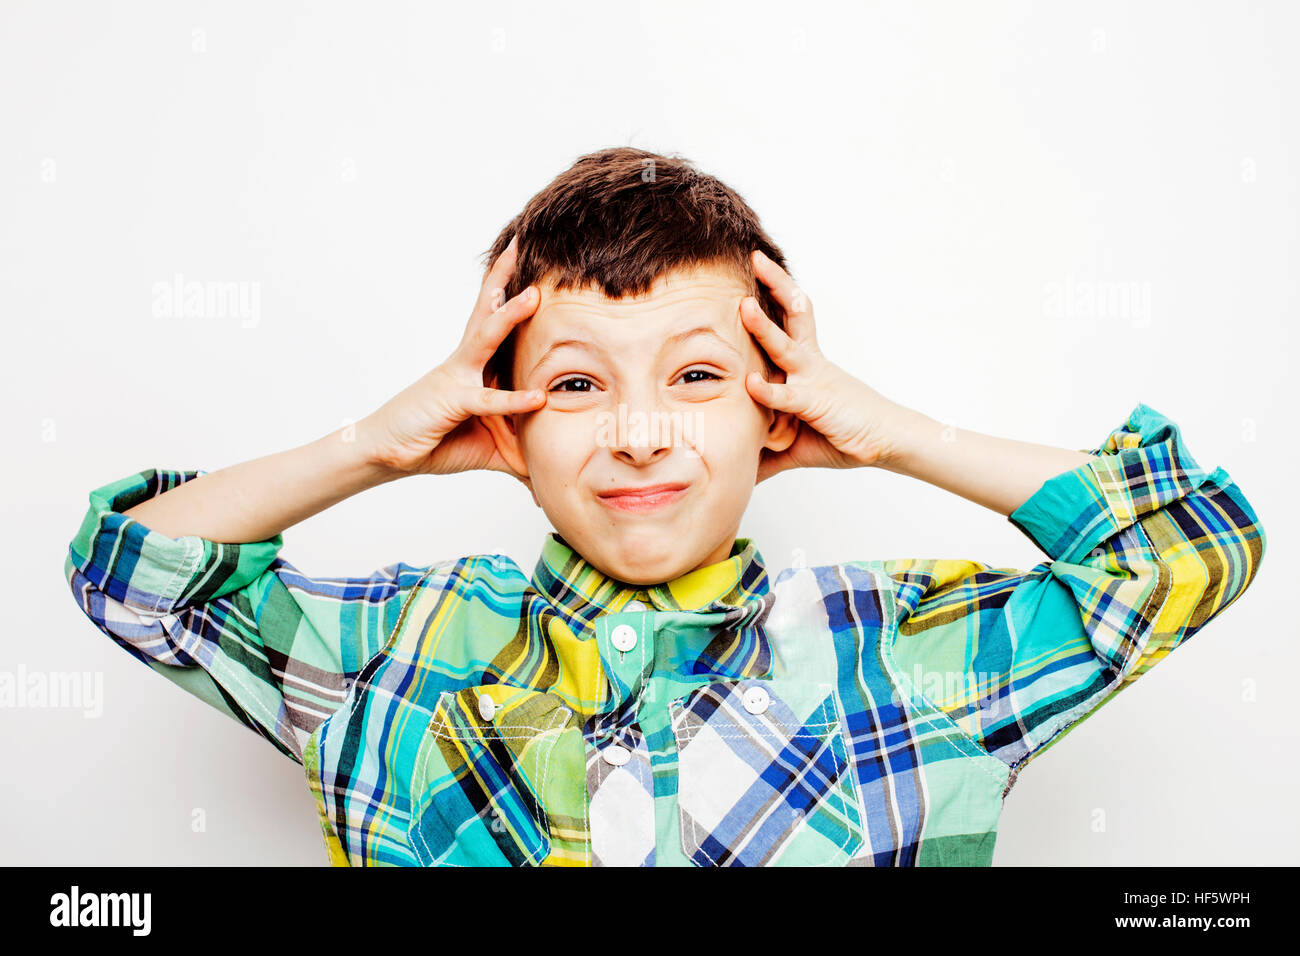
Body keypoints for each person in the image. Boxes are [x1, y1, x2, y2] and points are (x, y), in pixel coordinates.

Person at [63, 147, 1267, 866]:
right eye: (577, 383)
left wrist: (899, 434)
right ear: (502, 415)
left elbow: (1185, 546)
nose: (640, 431)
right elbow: (132, 571)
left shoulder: (906, 658)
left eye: (695, 377)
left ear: (775, 409)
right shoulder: (386, 652)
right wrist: (371, 448)